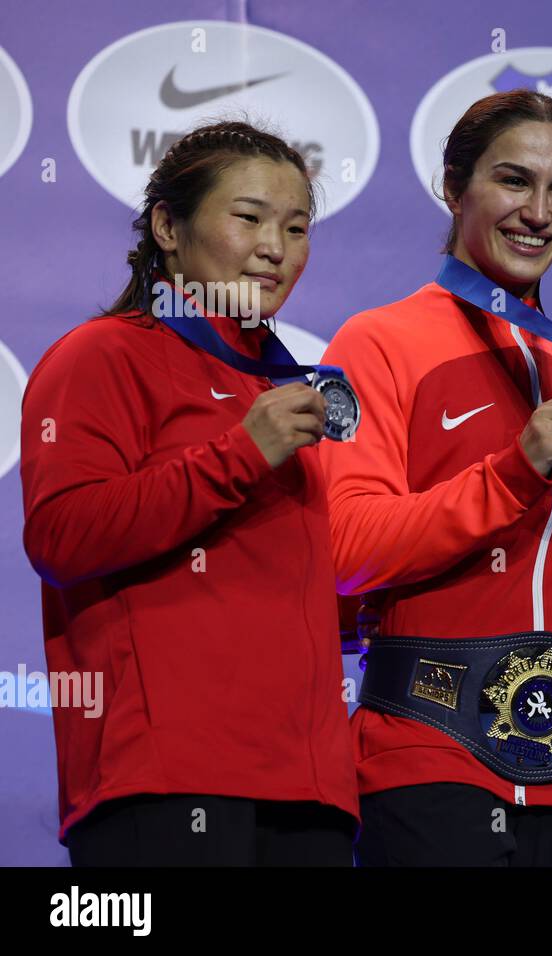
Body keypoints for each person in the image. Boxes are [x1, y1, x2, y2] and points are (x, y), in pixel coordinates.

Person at [20, 121, 359, 866]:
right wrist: (240, 454)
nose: (276, 247)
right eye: (249, 218)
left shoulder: (280, 385)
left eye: (297, 227)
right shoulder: (102, 354)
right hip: (166, 783)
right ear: (168, 227)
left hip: (312, 791)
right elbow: (62, 536)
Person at [320, 89, 552, 867]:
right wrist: (512, 471)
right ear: (452, 187)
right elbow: (347, 549)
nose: (540, 211)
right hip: (431, 763)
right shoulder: (377, 342)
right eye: (512, 181)